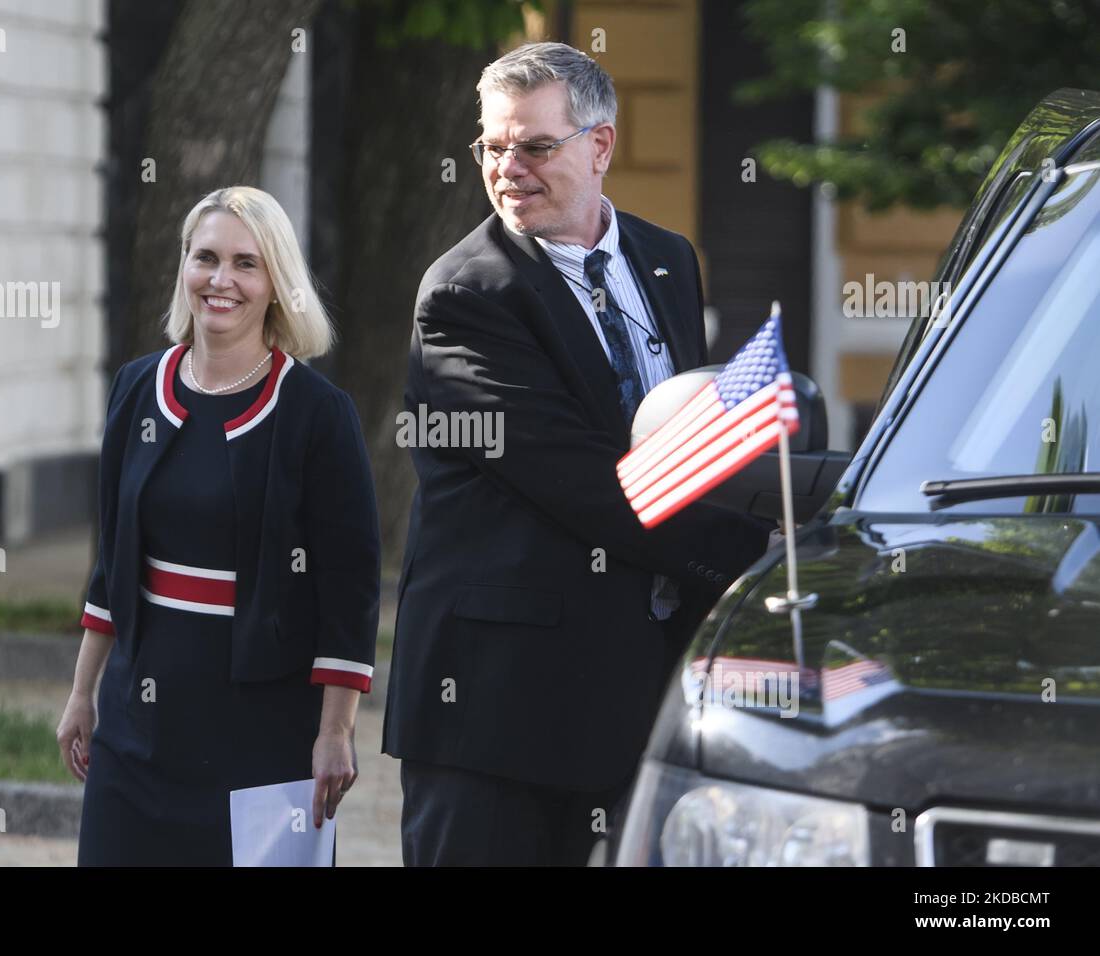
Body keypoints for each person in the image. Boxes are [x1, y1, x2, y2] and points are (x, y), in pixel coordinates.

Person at [382, 42, 773, 866]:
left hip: (639, 691)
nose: (508, 168)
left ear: (600, 146)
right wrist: (755, 557)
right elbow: (584, 481)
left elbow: (679, 429)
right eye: (492, 146)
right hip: (497, 707)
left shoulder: (668, 260)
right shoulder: (464, 294)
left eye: (534, 146)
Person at [57, 185, 380, 866]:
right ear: (184, 267)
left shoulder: (318, 414)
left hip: (264, 731)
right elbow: (112, 564)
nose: (220, 280)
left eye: (245, 263)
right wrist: (82, 694)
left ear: (276, 285)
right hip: (138, 721)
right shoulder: (137, 388)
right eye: (206, 258)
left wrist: (336, 732)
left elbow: (349, 594)